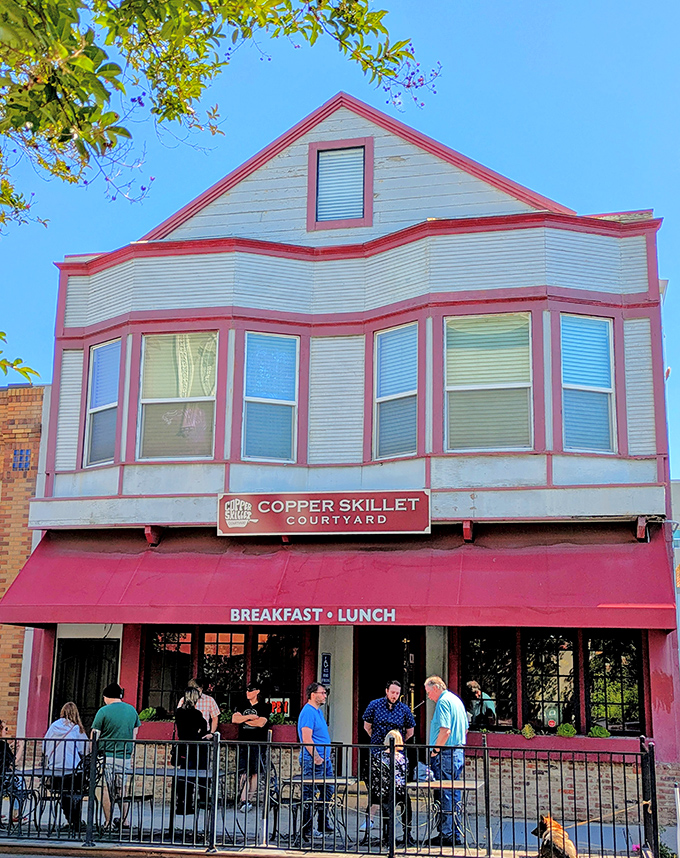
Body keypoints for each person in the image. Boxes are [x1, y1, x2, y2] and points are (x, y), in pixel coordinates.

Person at [424, 675, 468, 847]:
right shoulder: (456, 700)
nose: (428, 697)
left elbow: (445, 730)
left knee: (444, 794)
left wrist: (435, 750)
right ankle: (455, 832)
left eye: (428, 692)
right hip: (457, 752)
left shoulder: (443, 702)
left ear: (436, 687)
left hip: (446, 753)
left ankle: (447, 834)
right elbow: (465, 729)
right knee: (454, 793)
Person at [90, 682, 140, 827]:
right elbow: (135, 734)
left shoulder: (103, 711)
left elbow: (95, 734)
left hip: (106, 756)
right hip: (124, 756)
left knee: (104, 788)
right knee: (121, 789)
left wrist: (91, 753)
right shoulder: (132, 710)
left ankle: (108, 821)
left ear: (106, 696)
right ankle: (125, 820)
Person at [363, 729, 414, 847]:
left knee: (382, 801)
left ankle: (386, 835)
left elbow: (369, 774)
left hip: (381, 793)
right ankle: (407, 833)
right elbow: (406, 775)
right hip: (398, 792)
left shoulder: (377, 757)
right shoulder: (402, 759)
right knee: (407, 802)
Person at [297, 682, 334, 841]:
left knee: (328, 789)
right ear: (313, 694)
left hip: (324, 759)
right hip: (312, 759)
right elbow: (306, 738)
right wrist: (317, 757)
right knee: (309, 793)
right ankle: (307, 829)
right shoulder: (308, 712)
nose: (325, 695)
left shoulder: (317, 712)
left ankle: (321, 822)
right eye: (323, 693)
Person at [43, 702, 89, 830]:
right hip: (72, 770)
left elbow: (44, 747)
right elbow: (85, 750)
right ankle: (76, 821)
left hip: (55, 770)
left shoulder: (53, 726)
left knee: (63, 794)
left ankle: (70, 820)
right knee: (76, 792)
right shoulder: (75, 729)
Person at [232, 682, 270, 811]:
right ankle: (243, 800)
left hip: (258, 743)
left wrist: (243, 719)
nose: (248, 692)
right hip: (243, 742)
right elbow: (234, 719)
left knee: (255, 773)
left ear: (257, 691)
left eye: (251, 690)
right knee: (243, 772)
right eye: (247, 689)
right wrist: (250, 717)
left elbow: (261, 723)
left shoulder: (264, 706)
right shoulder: (242, 704)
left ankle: (249, 799)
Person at [174, 687, 213, 814]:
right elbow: (204, 727)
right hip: (195, 748)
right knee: (197, 775)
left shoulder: (179, 712)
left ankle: (181, 804)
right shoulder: (197, 714)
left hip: (182, 747)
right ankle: (198, 802)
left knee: (183, 777)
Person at [362, 680, 416, 747]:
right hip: (378, 747)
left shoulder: (404, 709)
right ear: (387, 691)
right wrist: (377, 738)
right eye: (392, 692)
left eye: (397, 693)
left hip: (397, 749)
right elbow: (367, 727)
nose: (395, 696)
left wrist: (399, 740)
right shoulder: (374, 705)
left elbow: (410, 732)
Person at [0, 719, 28, 825]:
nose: (6, 731)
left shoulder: (4, 746)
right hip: (3, 778)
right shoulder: (3, 745)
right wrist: (21, 747)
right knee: (20, 781)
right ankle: (15, 814)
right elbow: (13, 762)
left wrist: (10, 748)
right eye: (5, 729)